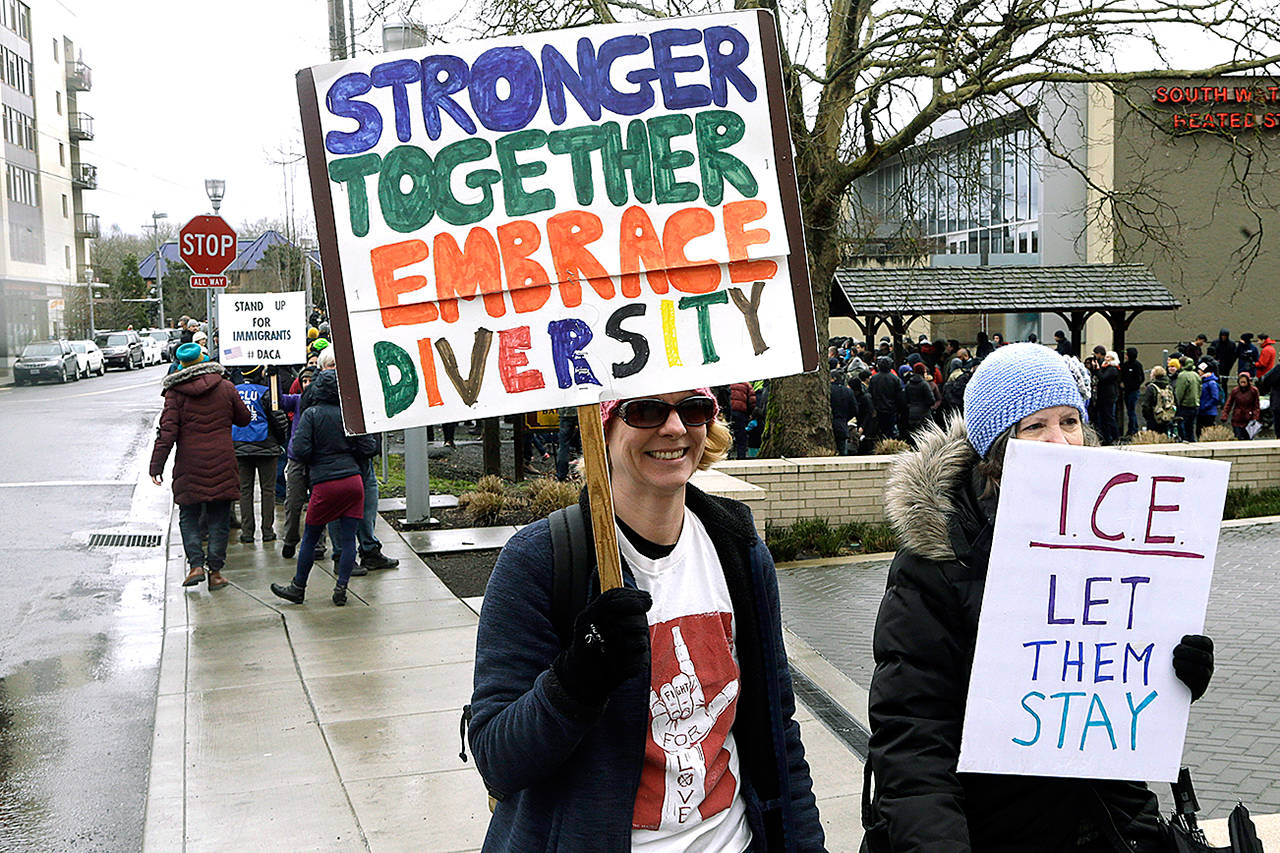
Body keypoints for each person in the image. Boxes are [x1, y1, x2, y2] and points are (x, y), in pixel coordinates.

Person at [864, 343, 1215, 853]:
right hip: (991, 831)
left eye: (1070, 421)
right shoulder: (939, 561)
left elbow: (1114, 683)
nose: (1061, 441)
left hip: (1113, 827)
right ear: (996, 448)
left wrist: (1174, 675)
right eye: (1035, 426)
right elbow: (912, 734)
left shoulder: (1117, 538)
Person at [469, 389, 826, 852]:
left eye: (694, 409)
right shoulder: (540, 560)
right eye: (645, 410)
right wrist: (575, 682)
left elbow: (778, 730)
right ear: (602, 429)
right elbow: (498, 758)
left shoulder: (738, 548)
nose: (675, 428)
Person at [269, 368, 378, 606]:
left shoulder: (311, 415)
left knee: (310, 537)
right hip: (353, 482)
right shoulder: (351, 414)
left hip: (325, 482)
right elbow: (369, 446)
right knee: (349, 539)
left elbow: (299, 449)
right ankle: (342, 588)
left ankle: (298, 587)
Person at [149, 342, 252, 590]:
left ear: (182, 365)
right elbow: (244, 418)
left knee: (189, 514)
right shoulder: (226, 387)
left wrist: (156, 466)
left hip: (189, 463)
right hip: (223, 460)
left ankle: (195, 565)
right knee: (219, 517)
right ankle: (215, 572)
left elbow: (168, 433)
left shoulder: (175, 393)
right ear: (203, 361)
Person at [231, 365, 283, 544]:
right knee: (268, 490)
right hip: (266, 444)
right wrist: (280, 439)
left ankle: (247, 532)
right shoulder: (266, 392)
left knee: (245, 491)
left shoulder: (234, 391)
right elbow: (276, 418)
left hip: (239, 444)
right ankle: (268, 531)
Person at [1221, 372, 1261, 440]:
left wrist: (1255, 417)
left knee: (1248, 438)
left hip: (1249, 419)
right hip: (1237, 418)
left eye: (1244, 381)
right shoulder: (1235, 391)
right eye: (1241, 381)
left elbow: (1256, 405)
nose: (1242, 383)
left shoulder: (1254, 391)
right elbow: (1229, 404)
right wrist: (1225, 415)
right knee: (1238, 437)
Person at [1173, 355, 1201, 441]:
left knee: (1182, 427)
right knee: (1191, 428)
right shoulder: (1196, 375)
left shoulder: (1182, 375)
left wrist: (1176, 403)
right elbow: (1200, 389)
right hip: (1195, 405)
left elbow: (1179, 392)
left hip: (1184, 405)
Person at [1119, 347, 1144, 436]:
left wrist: (1131, 386)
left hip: (1133, 391)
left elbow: (1141, 378)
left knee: (1131, 410)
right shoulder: (1125, 365)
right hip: (1127, 391)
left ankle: (1133, 429)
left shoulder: (1137, 365)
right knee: (1130, 411)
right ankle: (1132, 428)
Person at [830, 370, 856, 455]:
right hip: (842, 423)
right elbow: (854, 409)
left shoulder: (827, 390)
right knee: (842, 452)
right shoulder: (848, 391)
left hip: (829, 424)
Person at [1196, 363, 1221, 438]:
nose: (1198, 371)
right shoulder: (1202, 381)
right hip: (1202, 411)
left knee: (1207, 432)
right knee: (1199, 432)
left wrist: (1205, 406)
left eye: (1200, 370)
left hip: (1209, 412)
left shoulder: (1211, 383)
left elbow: (1215, 397)